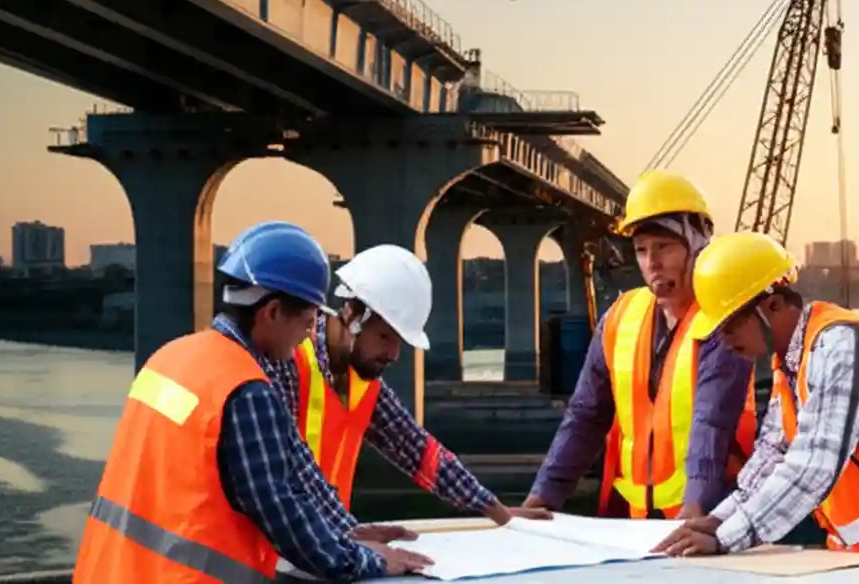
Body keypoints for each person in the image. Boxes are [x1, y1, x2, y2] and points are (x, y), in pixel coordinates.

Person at [74, 222, 431, 583]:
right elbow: (281, 511)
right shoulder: (246, 391)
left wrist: (347, 531)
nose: (310, 336)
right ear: (272, 312)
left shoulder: (168, 359)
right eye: (307, 323)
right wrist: (372, 563)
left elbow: (296, 466)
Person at [655, 231, 859, 567]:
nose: (725, 343)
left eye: (730, 327)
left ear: (771, 305)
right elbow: (774, 454)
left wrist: (726, 538)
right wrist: (716, 520)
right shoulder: (789, 364)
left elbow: (814, 464)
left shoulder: (841, 347)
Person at [523, 170, 758, 519]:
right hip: (633, 520)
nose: (652, 262)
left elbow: (712, 425)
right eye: (641, 250)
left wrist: (695, 514)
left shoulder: (722, 322)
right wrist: (542, 498)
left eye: (664, 247)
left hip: (707, 517)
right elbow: (586, 416)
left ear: (697, 244)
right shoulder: (620, 317)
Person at [264, 242, 552, 525]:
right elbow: (282, 472)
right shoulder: (289, 362)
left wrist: (497, 511)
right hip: (285, 547)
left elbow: (419, 451)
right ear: (352, 316)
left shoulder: (363, 384)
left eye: (399, 341)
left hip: (323, 546)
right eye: (384, 337)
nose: (394, 354)